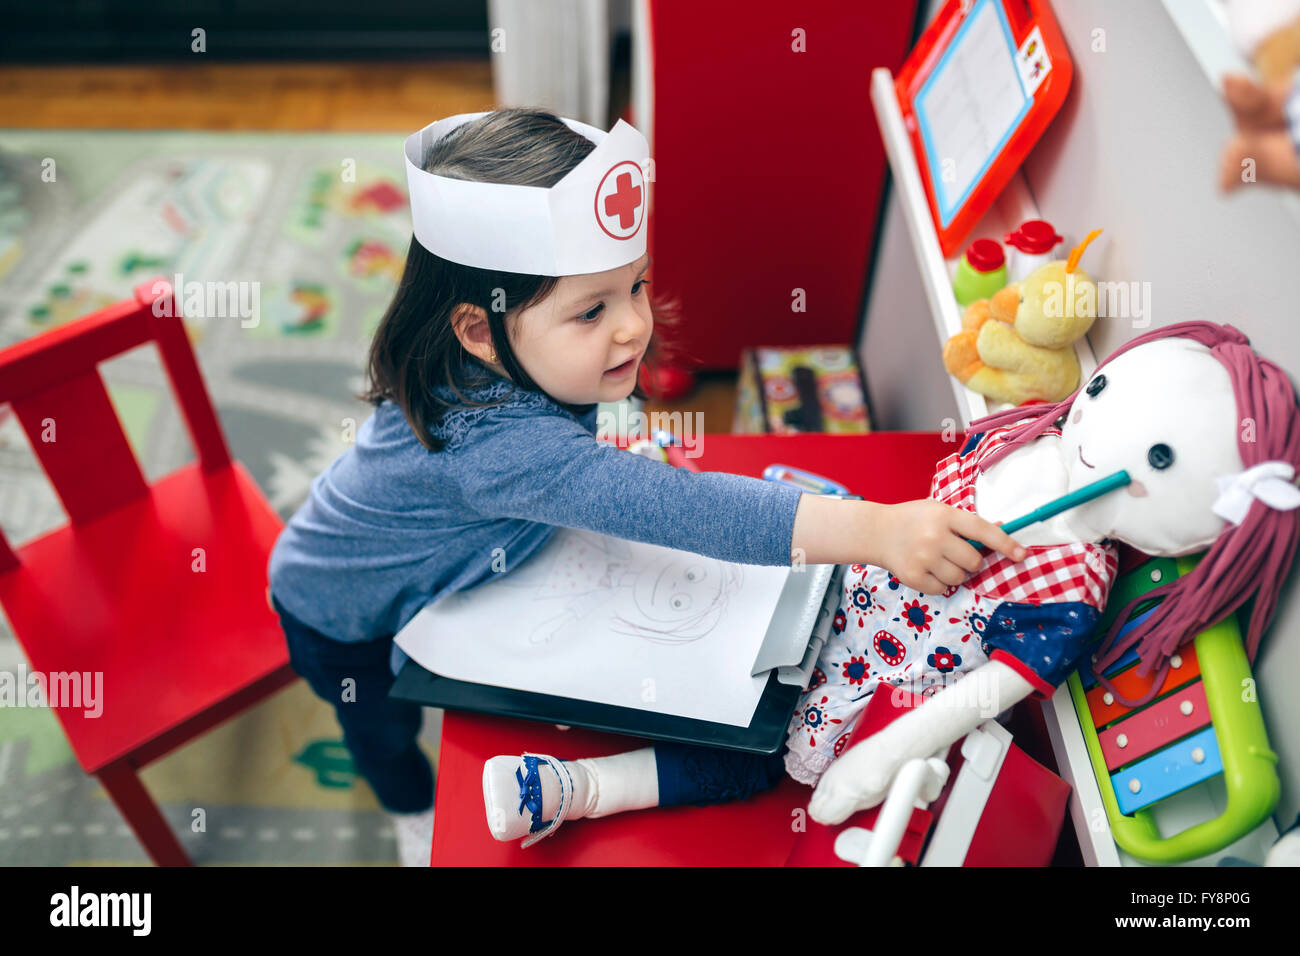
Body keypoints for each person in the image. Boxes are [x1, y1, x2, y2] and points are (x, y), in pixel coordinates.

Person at [265, 107, 1026, 865]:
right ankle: (406, 803)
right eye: (592, 310)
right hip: (336, 614)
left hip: (437, 544)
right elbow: (683, 510)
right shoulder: (497, 449)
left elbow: (578, 462)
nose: (632, 325)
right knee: (378, 729)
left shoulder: (486, 358)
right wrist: (880, 531)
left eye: (637, 285)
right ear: (475, 331)